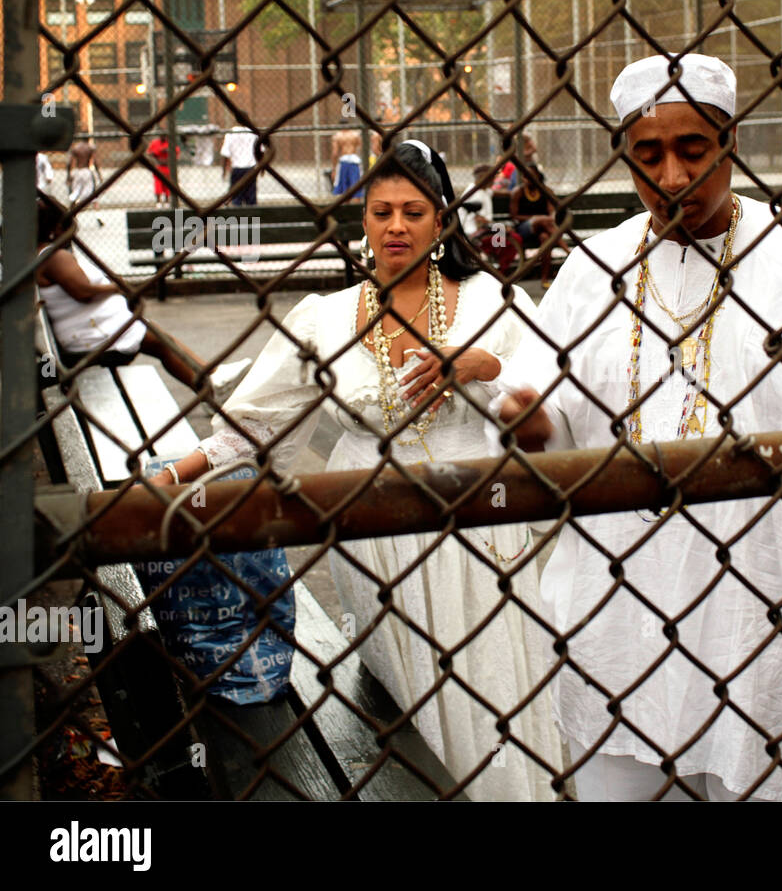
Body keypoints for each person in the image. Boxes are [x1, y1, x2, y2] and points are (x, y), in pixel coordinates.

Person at [492, 53, 782, 801]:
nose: (674, 177)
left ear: (731, 142)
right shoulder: (595, 267)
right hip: (625, 616)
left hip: (777, 607)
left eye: (694, 149)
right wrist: (531, 421)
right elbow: (548, 411)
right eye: (649, 155)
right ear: (625, 157)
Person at [151, 140, 564, 801]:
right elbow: (256, 422)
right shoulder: (328, 316)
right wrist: (174, 475)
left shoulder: (491, 302)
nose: (395, 225)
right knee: (406, 695)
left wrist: (484, 369)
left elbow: (544, 416)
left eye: (413, 211)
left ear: (443, 220)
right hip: (373, 531)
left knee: (487, 691)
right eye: (381, 211)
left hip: (478, 523)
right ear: (362, 221)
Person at [36, 196, 249, 401]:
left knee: (158, 338)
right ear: (55, 229)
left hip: (93, 333)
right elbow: (82, 291)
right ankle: (211, 383)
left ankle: (212, 378)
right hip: (94, 340)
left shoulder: (40, 256)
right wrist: (118, 287)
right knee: (160, 342)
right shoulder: (54, 257)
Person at [508, 163, 568, 287]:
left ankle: (544, 279)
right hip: (524, 229)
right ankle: (568, 251)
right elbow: (514, 216)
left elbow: (552, 212)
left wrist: (546, 219)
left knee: (545, 239)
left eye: (530, 175)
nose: (527, 178)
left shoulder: (545, 191)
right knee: (541, 220)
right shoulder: (518, 192)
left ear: (537, 176)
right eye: (525, 176)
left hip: (544, 228)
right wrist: (535, 218)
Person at [66, 140, 104, 227]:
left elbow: (69, 163)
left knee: (75, 194)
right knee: (93, 195)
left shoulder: (76, 148)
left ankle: (72, 215)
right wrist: (99, 174)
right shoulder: (89, 148)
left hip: (77, 172)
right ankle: (98, 216)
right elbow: (95, 162)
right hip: (86, 172)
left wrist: (68, 176)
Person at [220, 124, 260, 206]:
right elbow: (260, 151)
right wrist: (261, 166)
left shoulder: (231, 133)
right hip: (250, 168)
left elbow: (226, 154)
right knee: (251, 197)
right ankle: (252, 216)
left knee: (236, 196)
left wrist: (224, 170)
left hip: (237, 168)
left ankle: (238, 216)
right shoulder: (253, 132)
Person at [146, 132, 178, 208]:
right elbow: (149, 153)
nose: (163, 137)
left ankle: (167, 201)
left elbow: (176, 152)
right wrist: (156, 153)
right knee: (158, 184)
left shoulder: (170, 144)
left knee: (167, 184)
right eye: (161, 136)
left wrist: (168, 151)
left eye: (165, 136)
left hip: (167, 167)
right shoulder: (154, 143)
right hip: (158, 166)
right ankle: (158, 201)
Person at [331, 128, 363, 200]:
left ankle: (346, 208)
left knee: (344, 188)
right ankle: (356, 207)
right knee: (356, 186)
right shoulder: (356, 135)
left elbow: (335, 153)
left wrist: (334, 168)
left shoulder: (337, 136)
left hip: (344, 161)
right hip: (354, 161)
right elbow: (361, 148)